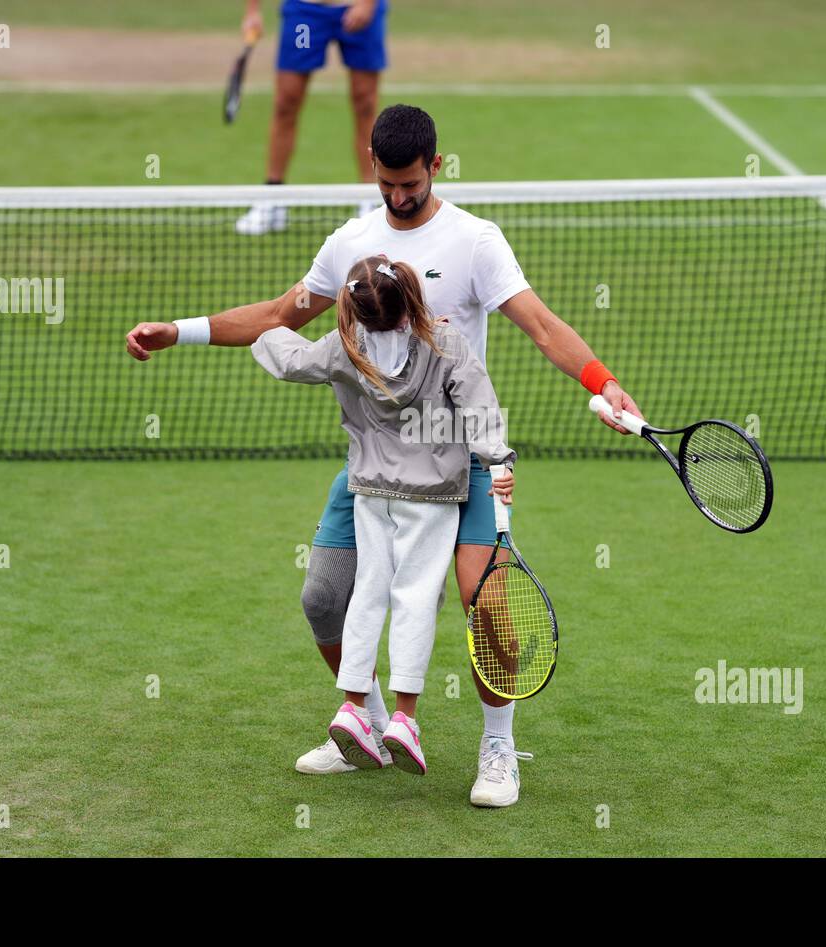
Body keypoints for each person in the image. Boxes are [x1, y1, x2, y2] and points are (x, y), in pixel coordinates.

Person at [125, 103, 643, 808]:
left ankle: (498, 746)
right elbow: (280, 317)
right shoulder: (351, 242)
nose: (399, 197)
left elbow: (543, 327)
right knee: (322, 598)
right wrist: (177, 331)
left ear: (436, 166)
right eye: (388, 182)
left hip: (459, 461)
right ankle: (367, 724)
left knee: (488, 603)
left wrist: (603, 383)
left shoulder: (475, 241)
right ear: (372, 164)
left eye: (412, 184)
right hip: (373, 464)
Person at [252, 255, 515, 775]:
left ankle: (354, 707)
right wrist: (499, 460)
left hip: (370, 493)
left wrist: (266, 328)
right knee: (414, 598)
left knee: (368, 594)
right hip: (433, 497)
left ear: (354, 308)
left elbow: (289, 360)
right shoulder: (446, 342)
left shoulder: (344, 346)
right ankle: (404, 718)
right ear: (412, 299)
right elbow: (479, 407)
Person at [235, 0, 387, 235]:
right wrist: (253, 12)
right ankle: (272, 197)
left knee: (365, 103)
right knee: (286, 101)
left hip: (357, 6)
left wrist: (368, 4)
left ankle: (369, 200)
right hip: (305, 13)